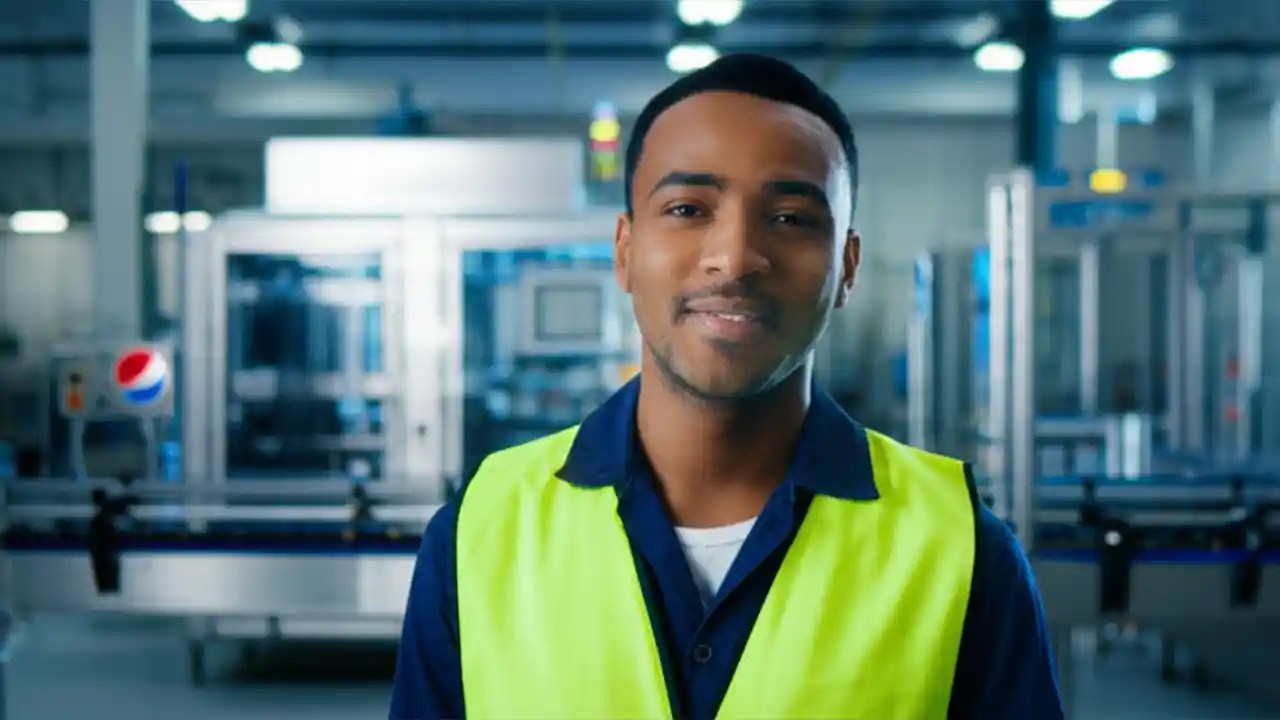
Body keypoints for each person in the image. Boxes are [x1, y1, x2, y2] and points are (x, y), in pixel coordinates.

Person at [390, 53, 1064, 720]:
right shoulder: (477, 536)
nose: (736, 257)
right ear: (625, 251)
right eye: (688, 208)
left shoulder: (963, 552)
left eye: (792, 218)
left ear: (848, 268)